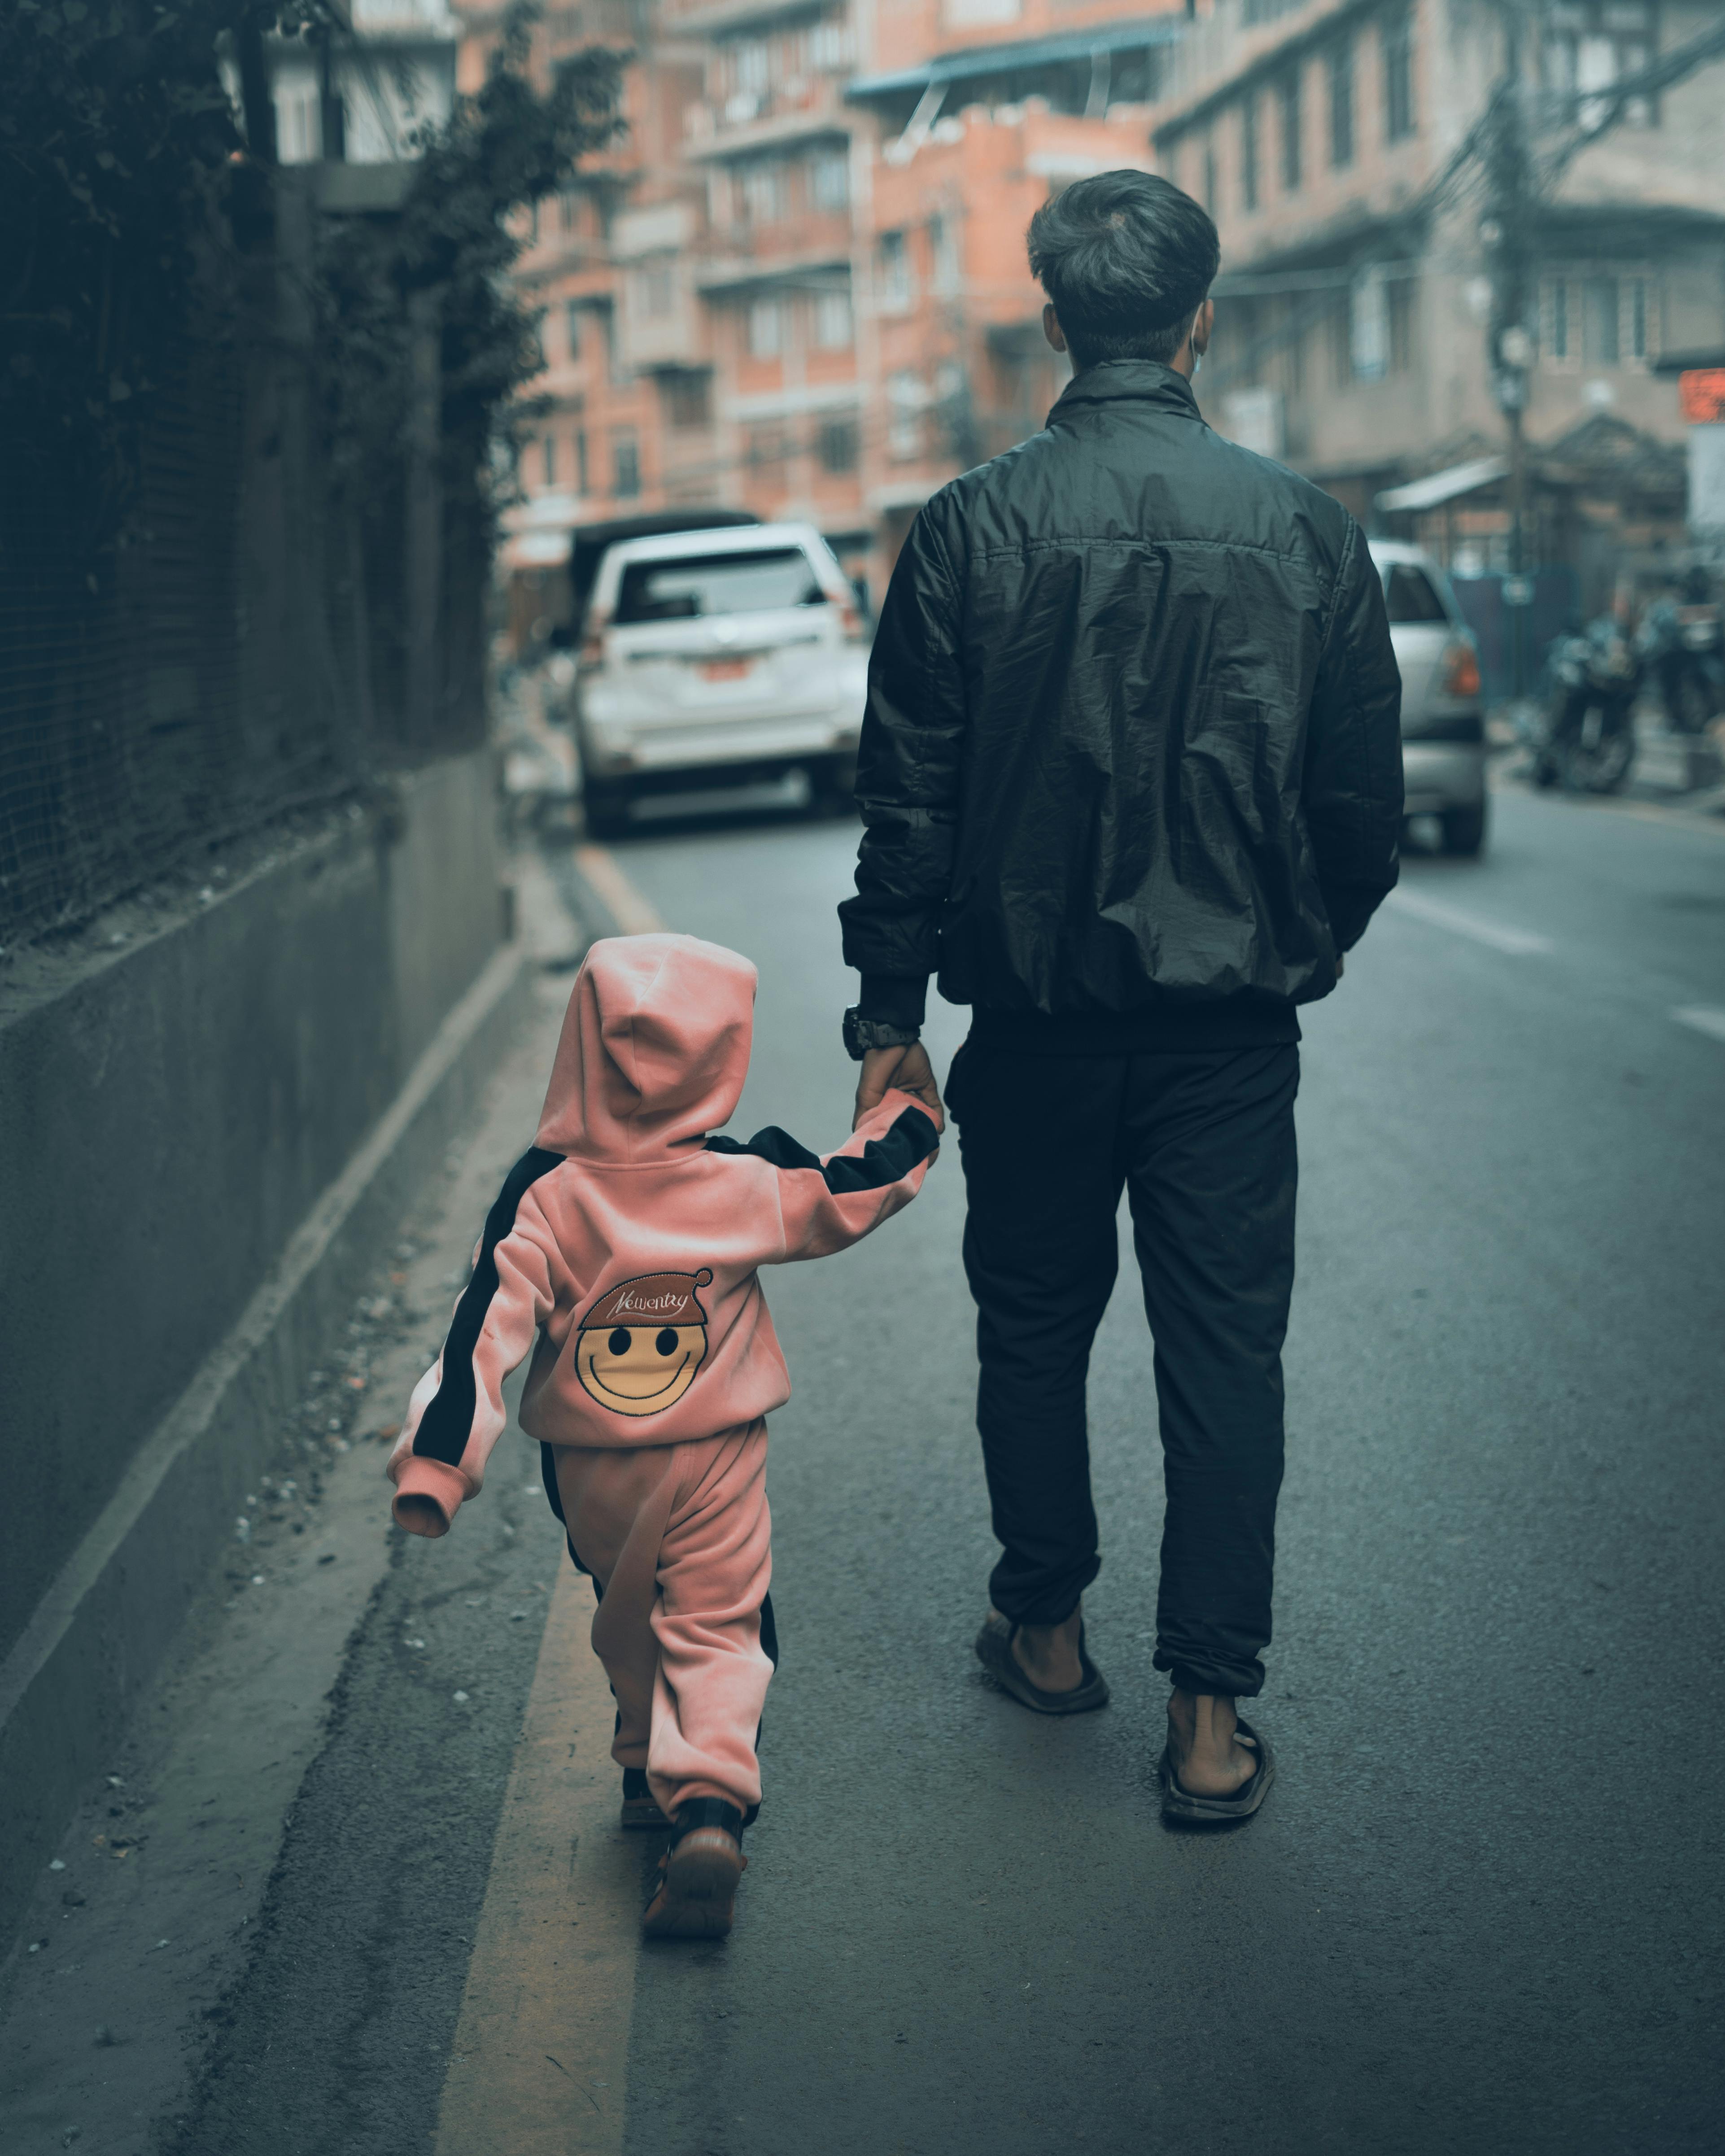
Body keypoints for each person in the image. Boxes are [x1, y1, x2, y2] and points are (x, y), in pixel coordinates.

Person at [838, 170, 1402, 1823]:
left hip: (1026, 1025)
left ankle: (1047, 1628)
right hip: (1226, 1036)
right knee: (1226, 1354)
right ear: (1198, 318)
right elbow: (1357, 812)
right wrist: (1292, 937)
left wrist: (890, 1018)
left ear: (1051, 321)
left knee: (1031, 1325)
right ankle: (1210, 1720)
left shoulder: (965, 527)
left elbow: (910, 803)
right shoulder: (1306, 530)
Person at [388, 934, 938, 1933]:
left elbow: (483, 1328)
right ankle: (710, 1808)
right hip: (718, 1455)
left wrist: (438, 1461)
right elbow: (854, 1188)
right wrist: (912, 1113)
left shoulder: (542, 1191)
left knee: (629, 1610)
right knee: (720, 1623)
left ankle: (647, 1768)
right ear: (724, 1054)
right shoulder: (740, 1178)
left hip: (595, 1468)